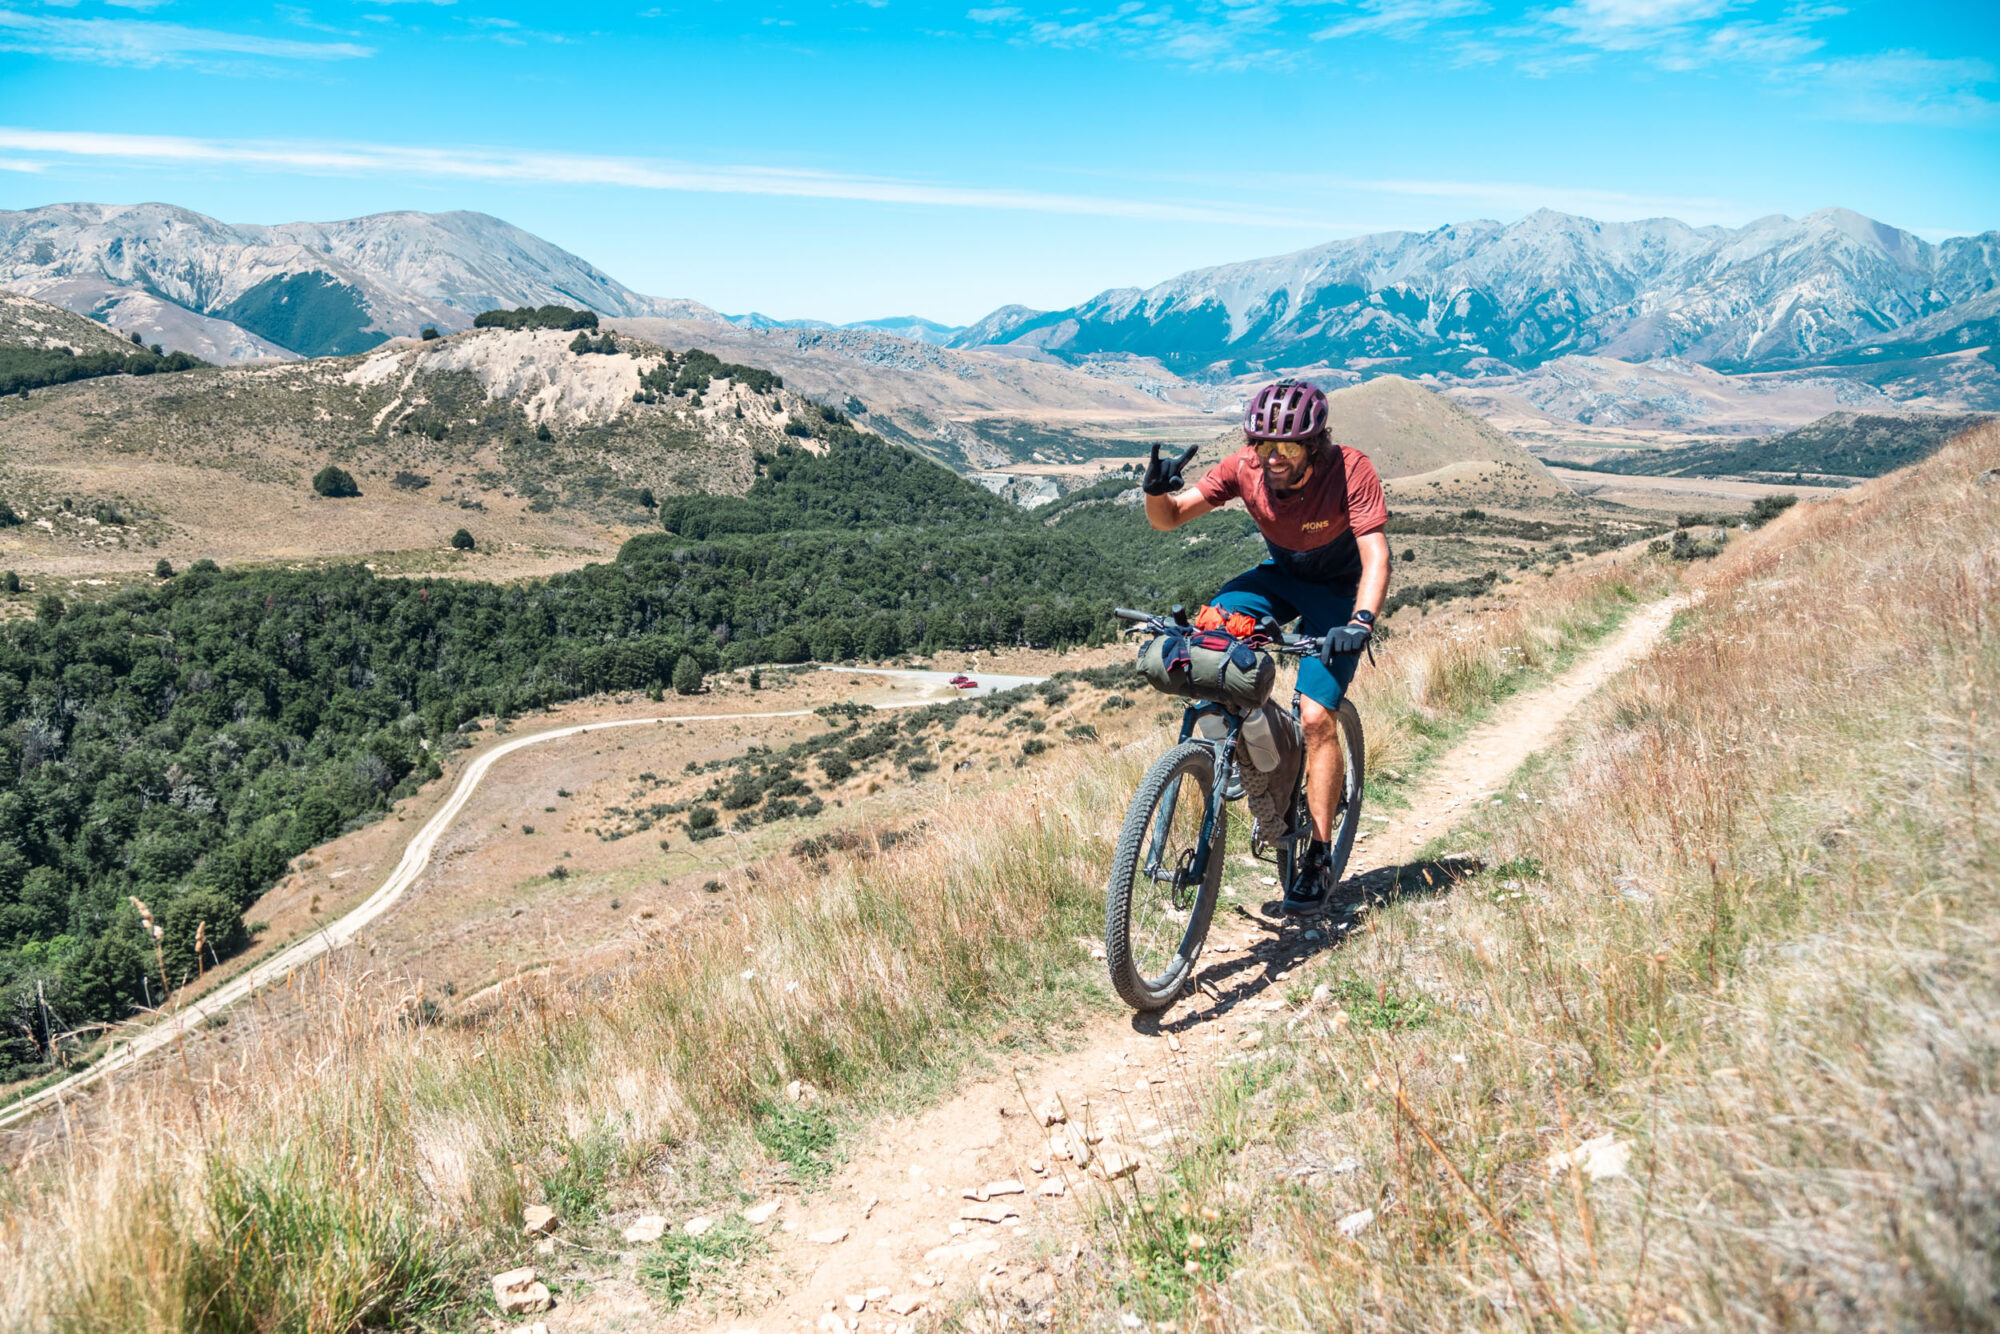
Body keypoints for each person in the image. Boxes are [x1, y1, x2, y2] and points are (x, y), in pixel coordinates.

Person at [1141, 378, 1390, 914]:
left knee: (1317, 715)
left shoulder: (1350, 469)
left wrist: (1362, 620)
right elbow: (1171, 518)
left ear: (1314, 444)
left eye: (1289, 446)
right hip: (1279, 576)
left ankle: (1319, 852)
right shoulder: (1243, 468)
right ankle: (1252, 751)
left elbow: (1375, 554)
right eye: (1263, 444)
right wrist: (1155, 493)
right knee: (1205, 642)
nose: (1273, 457)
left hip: (1337, 593)